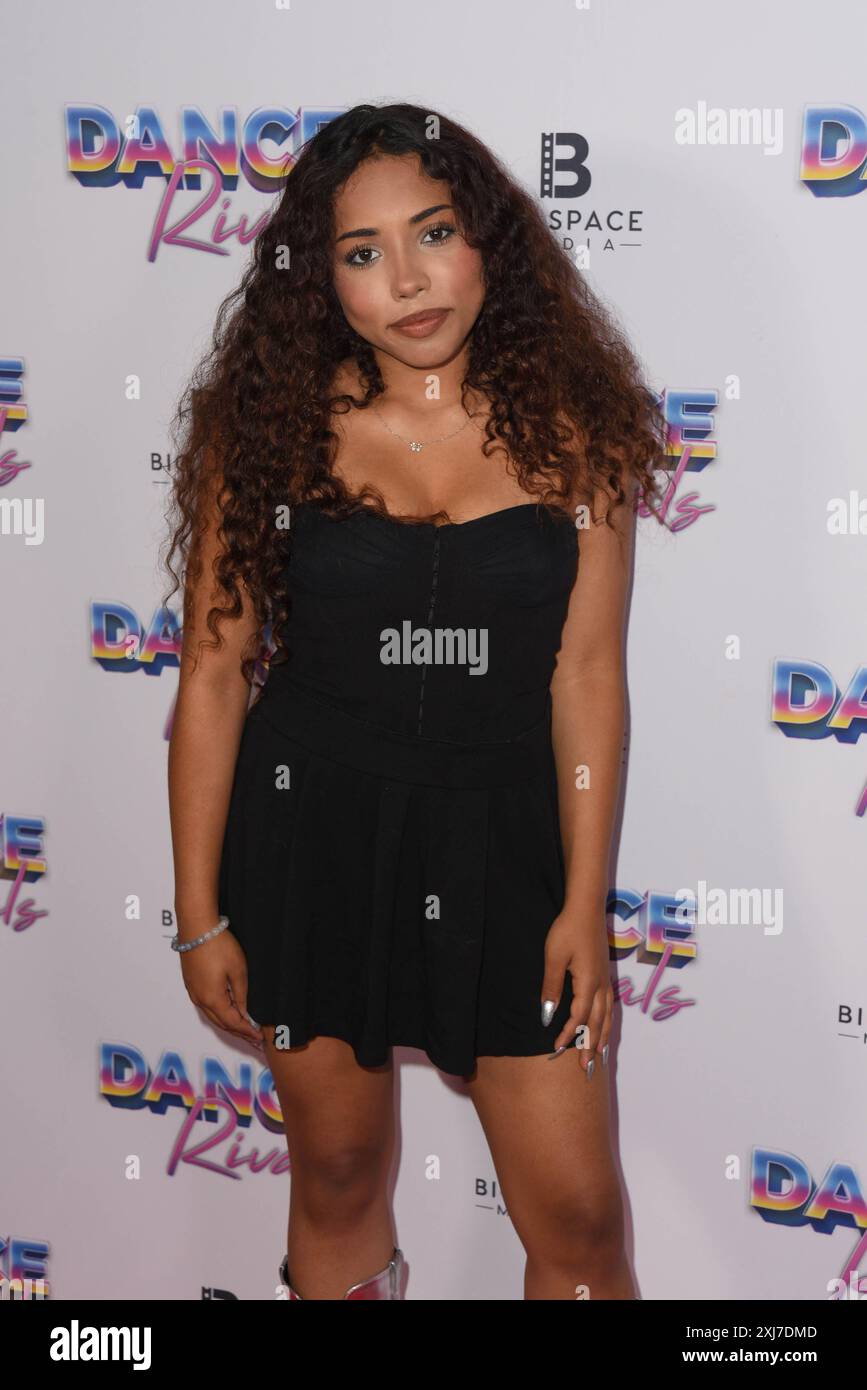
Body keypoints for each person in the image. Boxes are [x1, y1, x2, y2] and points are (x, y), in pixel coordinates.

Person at [164, 102, 666, 1301]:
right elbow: (215, 669)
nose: (408, 279)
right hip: (312, 834)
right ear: (321, 280)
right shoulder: (270, 430)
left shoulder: (575, 428)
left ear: (489, 238)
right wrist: (198, 911)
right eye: (362, 251)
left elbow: (587, 674)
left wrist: (583, 902)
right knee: (335, 1173)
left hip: (505, 847)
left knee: (582, 1223)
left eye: (434, 232)